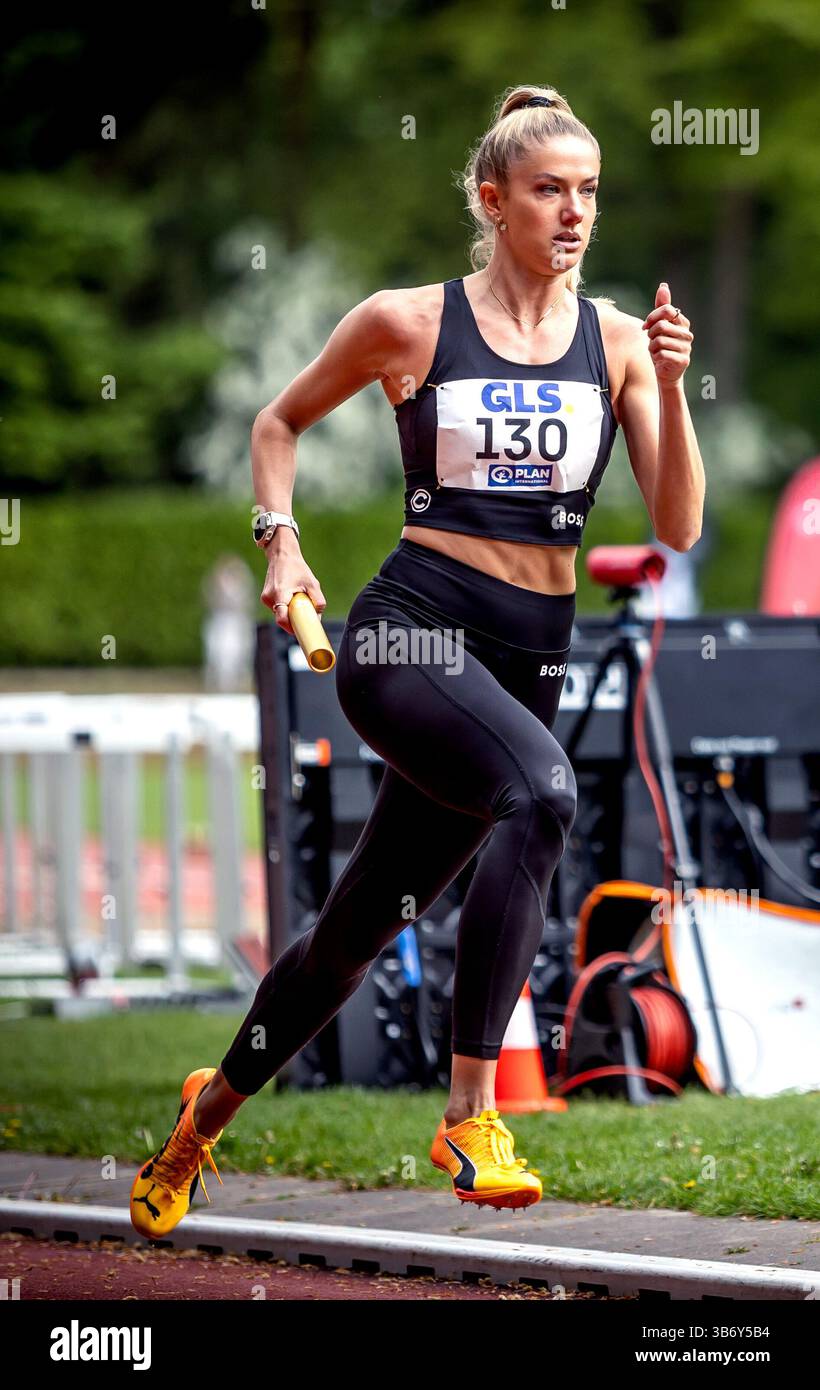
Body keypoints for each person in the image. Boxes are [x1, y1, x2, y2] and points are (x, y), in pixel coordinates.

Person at [131, 83, 705, 1235]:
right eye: (549, 191)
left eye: (589, 192)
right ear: (493, 202)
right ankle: (469, 1111)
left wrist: (675, 389)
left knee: (351, 934)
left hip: (523, 660)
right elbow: (276, 424)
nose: (574, 213)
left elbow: (677, 525)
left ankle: (198, 1124)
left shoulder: (616, 344)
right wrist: (281, 544)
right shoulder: (408, 321)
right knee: (540, 792)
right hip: (405, 633)